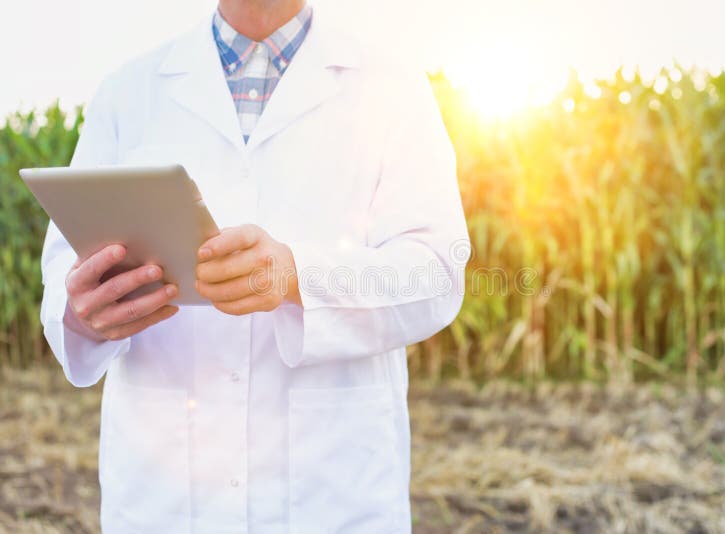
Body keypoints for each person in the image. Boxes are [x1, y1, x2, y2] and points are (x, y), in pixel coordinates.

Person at [39, 0, 468, 532]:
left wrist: (297, 277)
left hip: (333, 492)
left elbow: (434, 272)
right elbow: (64, 269)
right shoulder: (128, 93)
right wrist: (81, 310)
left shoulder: (392, 88)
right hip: (164, 499)